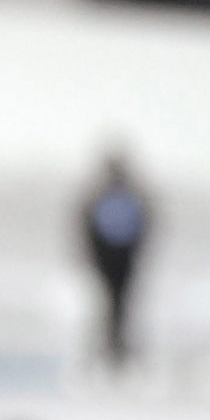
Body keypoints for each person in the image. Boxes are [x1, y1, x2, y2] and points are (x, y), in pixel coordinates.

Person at [81, 151, 151, 369]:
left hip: (125, 256)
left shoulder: (130, 197)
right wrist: (95, 255)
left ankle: (117, 345)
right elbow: (88, 227)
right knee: (110, 301)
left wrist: (135, 252)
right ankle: (110, 345)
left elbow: (144, 225)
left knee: (121, 302)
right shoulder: (101, 197)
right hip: (107, 257)